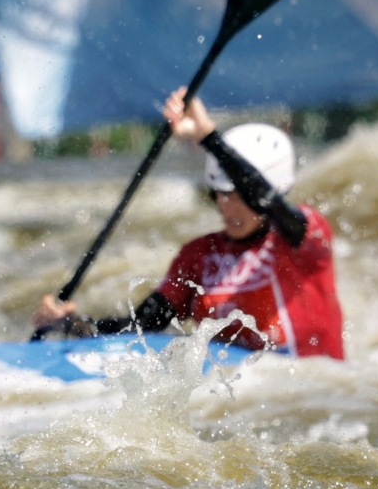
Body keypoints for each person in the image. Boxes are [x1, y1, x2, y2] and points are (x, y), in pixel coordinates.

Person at [32, 90, 343, 359]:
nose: (226, 204)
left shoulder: (305, 238)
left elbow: (267, 200)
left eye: (239, 196)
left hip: (305, 385)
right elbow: (141, 328)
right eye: (219, 194)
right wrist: (69, 324)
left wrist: (208, 137)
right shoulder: (198, 255)